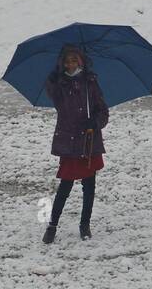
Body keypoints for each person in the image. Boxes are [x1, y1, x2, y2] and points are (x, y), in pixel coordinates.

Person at [42, 45, 109, 243]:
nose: (70, 64)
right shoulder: (59, 84)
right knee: (65, 185)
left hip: (88, 141)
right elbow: (55, 99)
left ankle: (84, 224)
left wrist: (94, 123)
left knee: (89, 186)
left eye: (74, 60)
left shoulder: (90, 82)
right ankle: (52, 225)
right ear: (62, 63)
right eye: (67, 61)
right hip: (69, 142)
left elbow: (103, 111)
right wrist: (53, 81)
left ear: (80, 61)